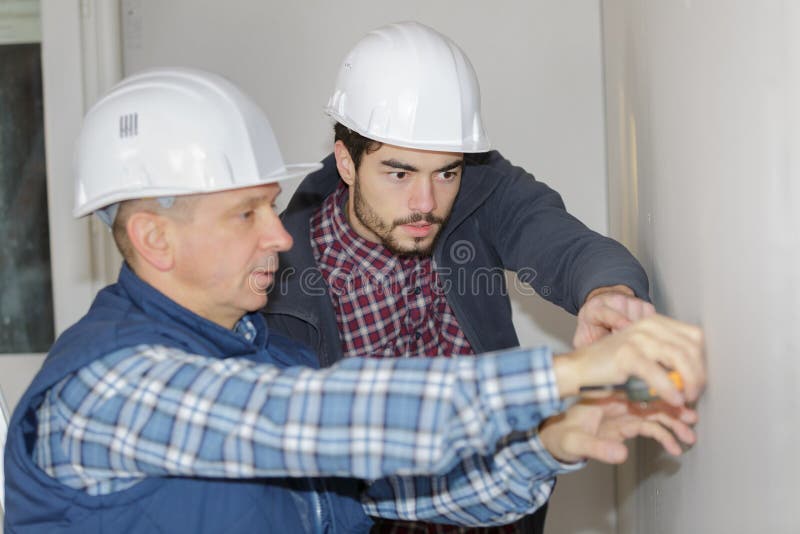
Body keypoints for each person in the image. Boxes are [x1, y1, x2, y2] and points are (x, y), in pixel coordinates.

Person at [4, 68, 704, 534]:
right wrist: (565, 373)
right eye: (246, 215)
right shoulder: (108, 387)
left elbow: (409, 491)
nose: (281, 236)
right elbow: (312, 419)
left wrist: (551, 443)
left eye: (272, 207)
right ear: (155, 238)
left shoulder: (268, 355)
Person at [264, 21, 663, 533]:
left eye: (446, 173)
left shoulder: (483, 191)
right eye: (399, 173)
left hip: (500, 512)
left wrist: (608, 293)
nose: (425, 204)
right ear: (346, 161)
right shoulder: (279, 278)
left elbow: (565, 244)